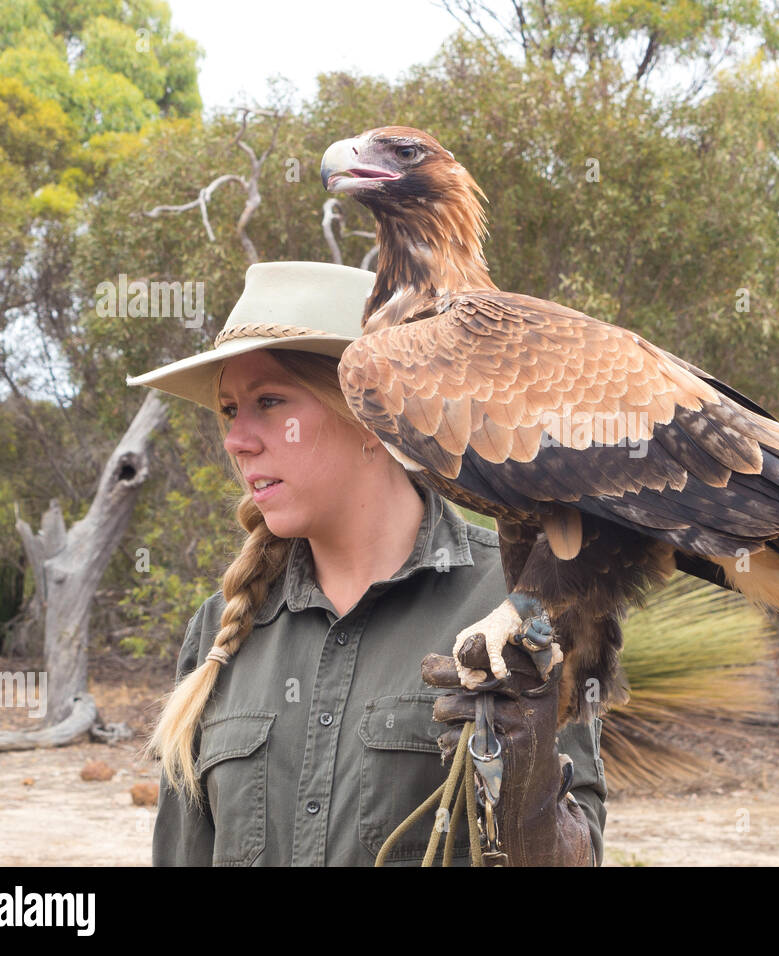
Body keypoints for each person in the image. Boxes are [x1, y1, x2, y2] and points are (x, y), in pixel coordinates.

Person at [127, 260, 606, 866]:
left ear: (373, 416)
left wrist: (528, 783)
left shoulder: (524, 604)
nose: (236, 438)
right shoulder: (220, 628)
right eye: (229, 410)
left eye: (269, 402)